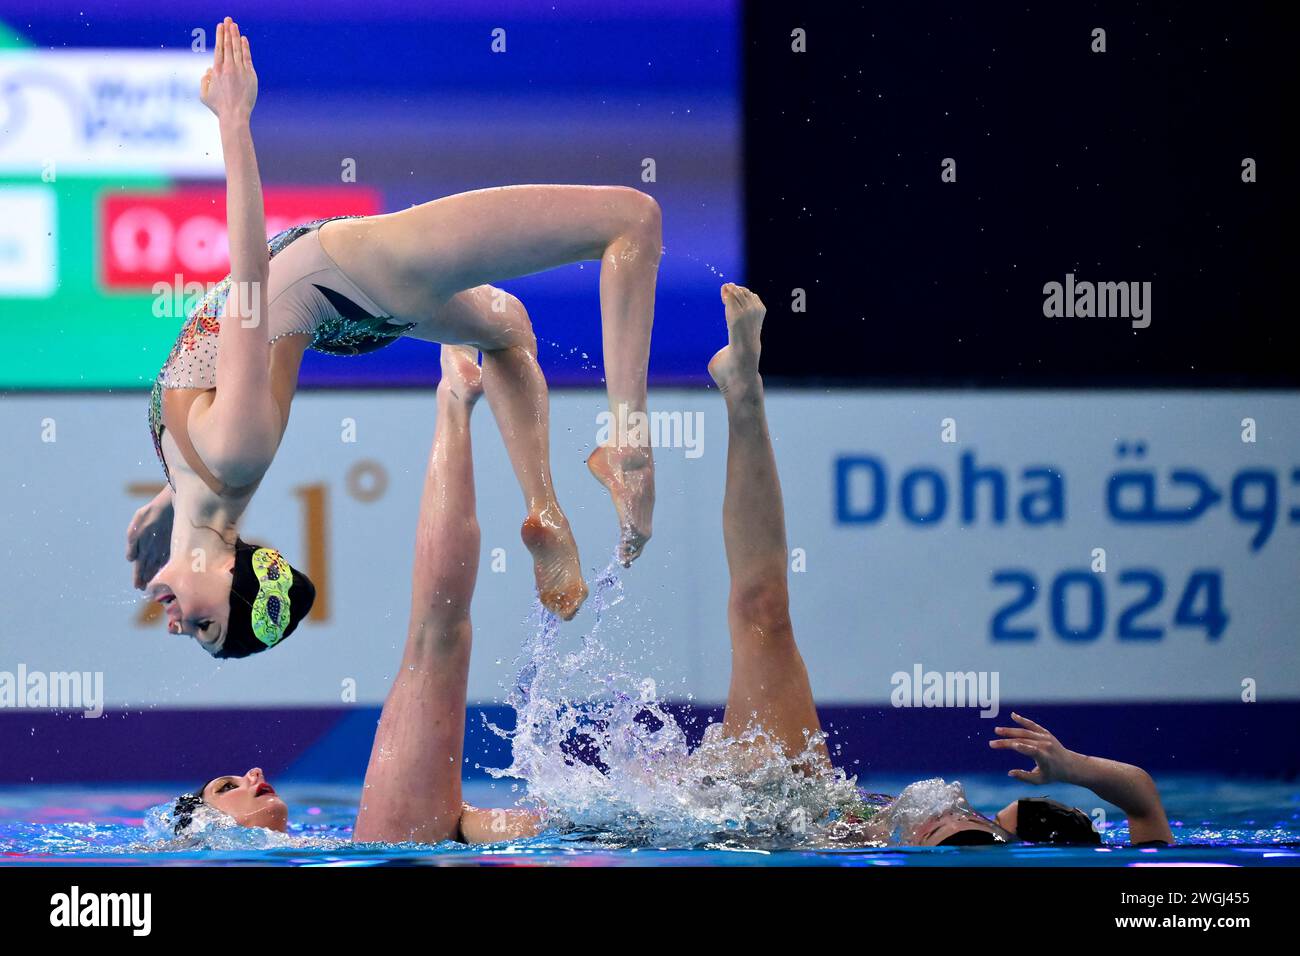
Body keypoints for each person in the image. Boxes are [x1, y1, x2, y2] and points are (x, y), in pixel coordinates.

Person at [177, 284, 1173, 848]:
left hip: (711, 823)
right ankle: (740, 388)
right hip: (788, 808)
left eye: (228, 776)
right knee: (764, 612)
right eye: (230, 782)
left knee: (442, 653)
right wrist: (1079, 773)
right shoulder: (967, 826)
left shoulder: (327, 840)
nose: (255, 771)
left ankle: (455, 395)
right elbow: (1150, 816)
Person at [127, 18, 662, 658]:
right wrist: (234, 121)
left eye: (194, 634)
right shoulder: (231, 456)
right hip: (359, 271)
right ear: (228, 574)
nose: (181, 627)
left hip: (345, 303)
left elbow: (209, 445)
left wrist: (170, 504)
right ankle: (629, 449)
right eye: (208, 627)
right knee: (633, 221)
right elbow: (248, 281)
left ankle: (544, 510)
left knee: (508, 328)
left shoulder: (200, 482)